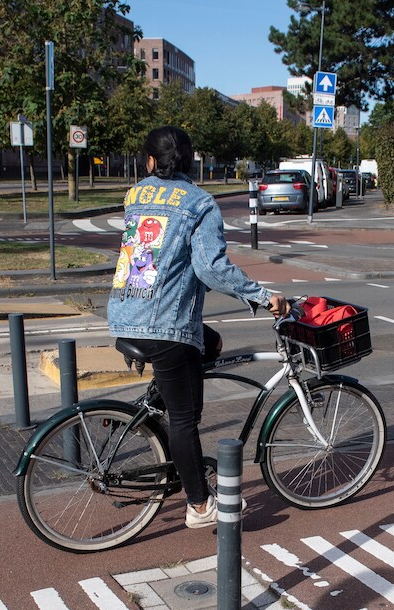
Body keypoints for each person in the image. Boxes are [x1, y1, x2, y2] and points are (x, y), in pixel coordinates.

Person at [108, 125, 289, 528]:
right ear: (190, 160)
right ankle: (200, 505)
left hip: (126, 314)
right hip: (166, 325)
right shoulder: (200, 202)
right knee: (186, 419)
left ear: (150, 161)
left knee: (211, 342)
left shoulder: (135, 193)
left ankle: (161, 417)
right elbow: (211, 268)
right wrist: (262, 295)